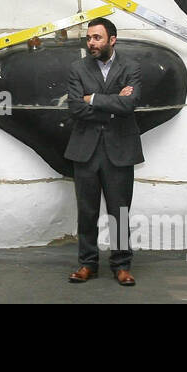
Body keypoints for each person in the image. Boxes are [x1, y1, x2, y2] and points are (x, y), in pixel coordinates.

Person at [64, 17, 143, 286]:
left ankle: (121, 265)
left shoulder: (131, 67)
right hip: (85, 150)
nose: (91, 43)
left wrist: (93, 99)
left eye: (97, 38)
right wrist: (114, 102)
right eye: (88, 38)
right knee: (87, 212)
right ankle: (87, 264)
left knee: (119, 211)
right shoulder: (78, 68)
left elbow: (130, 104)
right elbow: (75, 108)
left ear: (112, 39)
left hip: (120, 150)